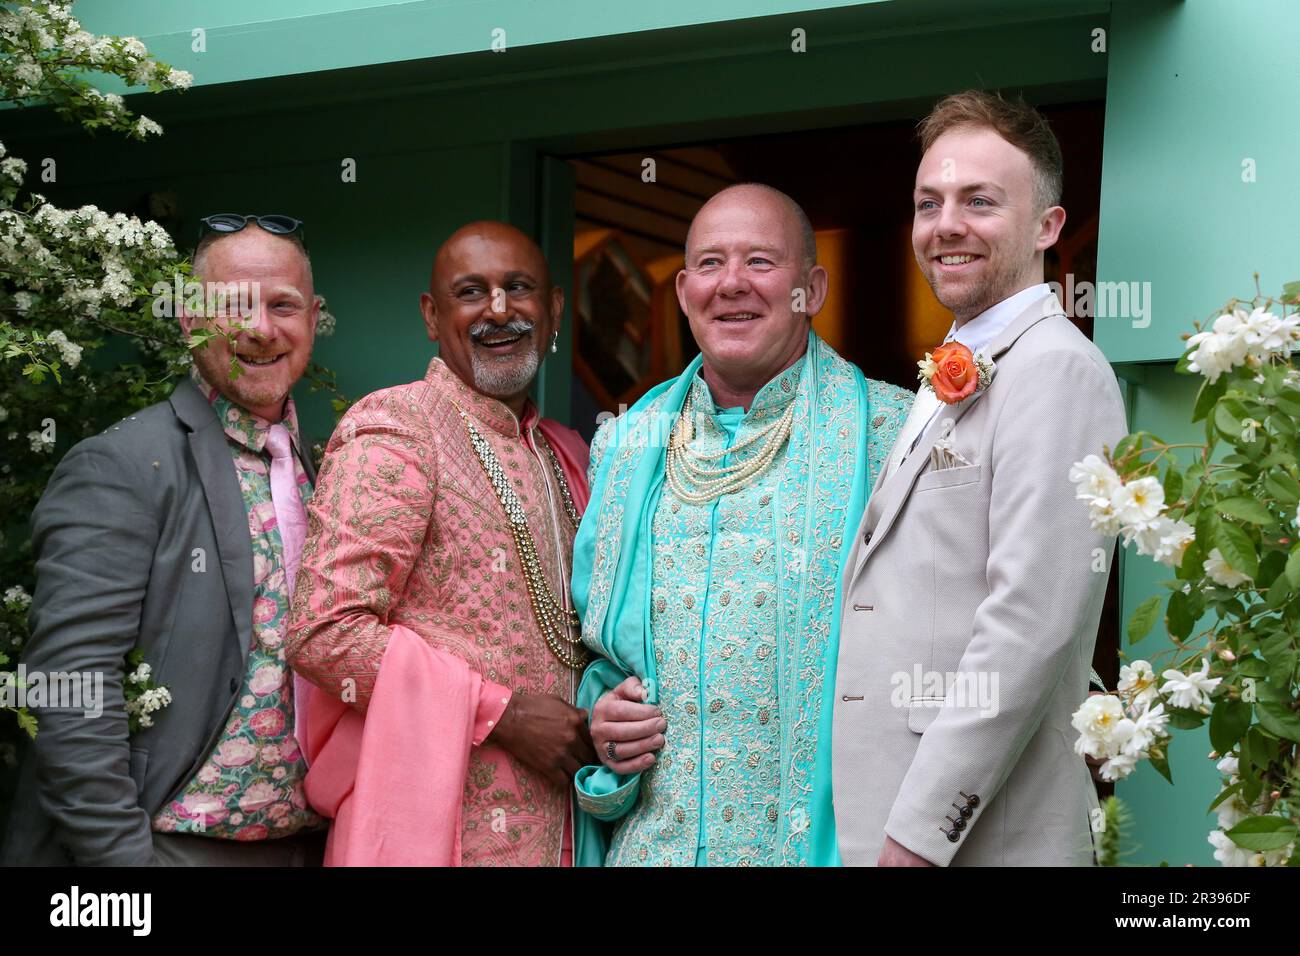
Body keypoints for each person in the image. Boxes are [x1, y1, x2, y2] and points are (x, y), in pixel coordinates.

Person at [572, 183, 912, 866]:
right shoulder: (626, 444)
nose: (731, 284)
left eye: (760, 262)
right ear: (682, 292)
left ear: (811, 290)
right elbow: (599, 658)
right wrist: (601, 719)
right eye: (708, 264)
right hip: (653, 847)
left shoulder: (894, 433)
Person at [832, 90, 1128, 866]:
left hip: (976, 839)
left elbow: (1028, 626)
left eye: (979, 201)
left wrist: (920, 834)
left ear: (1047, 226)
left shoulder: (1060, 371)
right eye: (929, 204)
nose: (945, 225)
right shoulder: (949, 371)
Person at [3, 214, 328, 865]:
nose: (261, 328)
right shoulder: (122, 465)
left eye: (282, 305)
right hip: (165, 847)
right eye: (234, 305)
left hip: (302, 846)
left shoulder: (322, 468)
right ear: (188, 320)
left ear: (313, 320)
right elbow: (69, 686)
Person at [286, 221, 594, 866]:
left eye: (520, 288)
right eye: (471, 292)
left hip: (567, 826)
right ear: (432, 315)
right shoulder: (397, 429)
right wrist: (502, 713)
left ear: (555, 308)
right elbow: (325, 632)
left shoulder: (562, 451)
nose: (500, 310)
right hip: (439, 826)